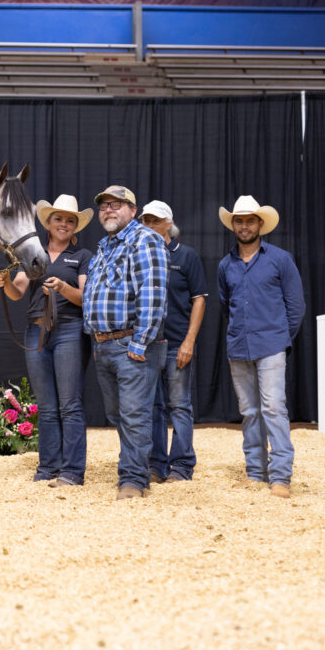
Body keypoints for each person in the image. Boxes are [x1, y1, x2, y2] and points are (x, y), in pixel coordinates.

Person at [0, 194, 92, 487]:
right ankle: (48, 466)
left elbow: (86, 299)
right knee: (47, 406)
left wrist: (63, 288)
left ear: (76, 226)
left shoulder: (83, 256)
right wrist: (6, 283)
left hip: (69, 330)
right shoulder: (33, 254)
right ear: (48, 223)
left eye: (70, 220)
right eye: (59, 219)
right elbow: (18, 292)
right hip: (37, 331)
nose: (64, 224)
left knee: (70, 404)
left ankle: (72, 471)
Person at [82, 186, 167, 501]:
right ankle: (136, 468)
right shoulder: (104, 245)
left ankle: (133, 480)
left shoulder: (146, 240)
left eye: (116, 205)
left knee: (134, 414)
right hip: (105, 344)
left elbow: (153, 294)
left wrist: (140, 343)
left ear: (133, 210)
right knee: (118, 414)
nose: (108, 210)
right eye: (104, 205)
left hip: (131, 342)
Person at [217, 195, 305, 499]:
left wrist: (279, 337)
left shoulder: (280, 259)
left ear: (260, 224)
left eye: (250, 220)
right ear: (233, 225)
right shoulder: (225, 264)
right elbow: (226, 304)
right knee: (250, 411)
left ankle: (280, 476)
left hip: (271, 345)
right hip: (238, 347)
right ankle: (256, 473)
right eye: (239, 221)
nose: (244, 226)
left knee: (273, 408)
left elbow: (296, 307)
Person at [140, 201, 207, 484]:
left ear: (169, 223)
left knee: (179, 404)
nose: (151, 226)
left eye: (156, 221)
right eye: (146, 221)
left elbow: (199, 299)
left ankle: (181, 465)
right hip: (149, 343)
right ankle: (156, 464)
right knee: (153, 405)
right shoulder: (139, 256)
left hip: (177, 340)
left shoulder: (187, 256)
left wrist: (189, 341)